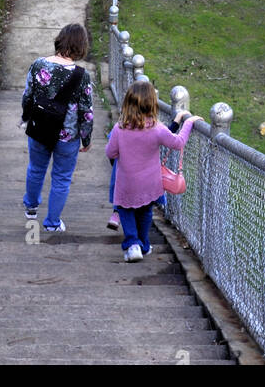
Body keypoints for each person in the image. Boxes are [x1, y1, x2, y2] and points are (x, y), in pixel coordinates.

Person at [106, 80, 204, 261]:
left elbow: (110, 152)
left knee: (125, 211)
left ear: (128, 103)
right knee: (145, 212)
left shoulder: (119, 128)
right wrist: (188, 122)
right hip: (150, 183)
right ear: (152, 103)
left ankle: (133, 243)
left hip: (126, 182)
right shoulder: (157, 128)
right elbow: (178, 142)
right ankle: (144, 245)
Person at [20, 23, 93, 233]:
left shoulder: (38, 65)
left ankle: (31, 207)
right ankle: (52, 222)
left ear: (60, 39)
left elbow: (28, 95)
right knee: (61, 177)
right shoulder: (81, 76)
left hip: (39, 128)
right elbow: (86, 112)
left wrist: (26, 117)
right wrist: (86, 139)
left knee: (36, 168)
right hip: (67, 136)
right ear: (81, 46)